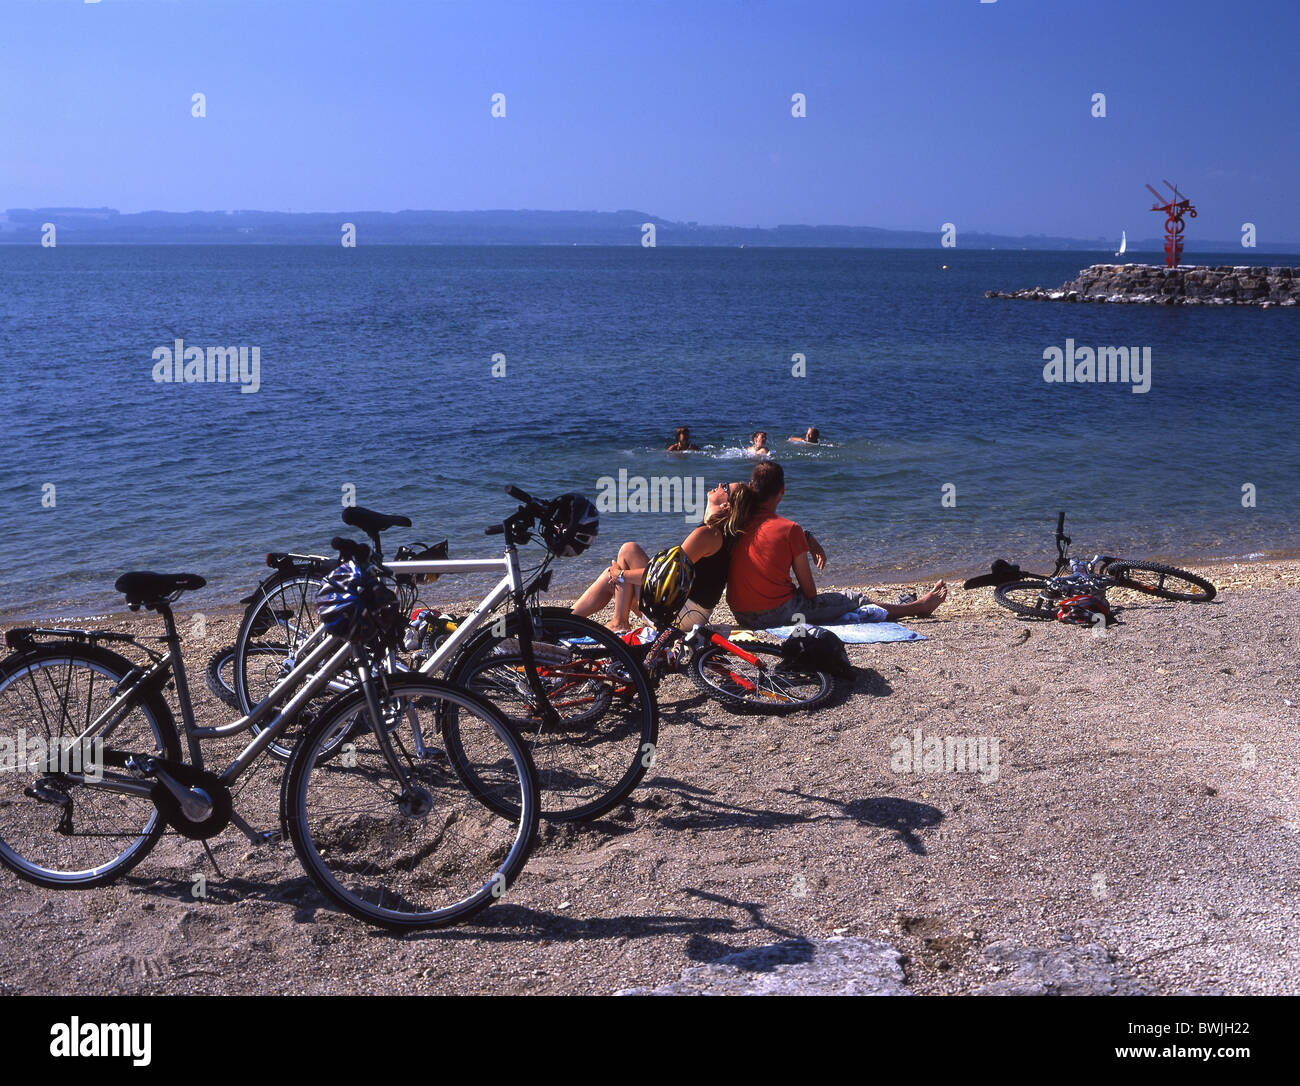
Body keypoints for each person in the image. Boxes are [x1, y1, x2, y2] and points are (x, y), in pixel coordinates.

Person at [725, 461, 947, 629]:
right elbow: (810, 593)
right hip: (776, 615)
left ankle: (910, 606)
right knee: (853, 598)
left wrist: (805, 540)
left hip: (740, 613)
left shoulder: (737, 521)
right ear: (783, 490)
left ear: (753, 488)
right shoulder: (789, 528)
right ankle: (917, 608)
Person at [572, 481, 739, 632]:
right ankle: (611, 621)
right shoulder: (718, 533)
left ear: (726, 506)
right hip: (689, 611)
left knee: (613, 574)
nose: (718, 484)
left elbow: (666, 574)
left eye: (724, 487)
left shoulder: (708, 534)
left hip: (683, 616)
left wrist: (620, 575)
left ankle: (569, 622)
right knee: (629, 550)